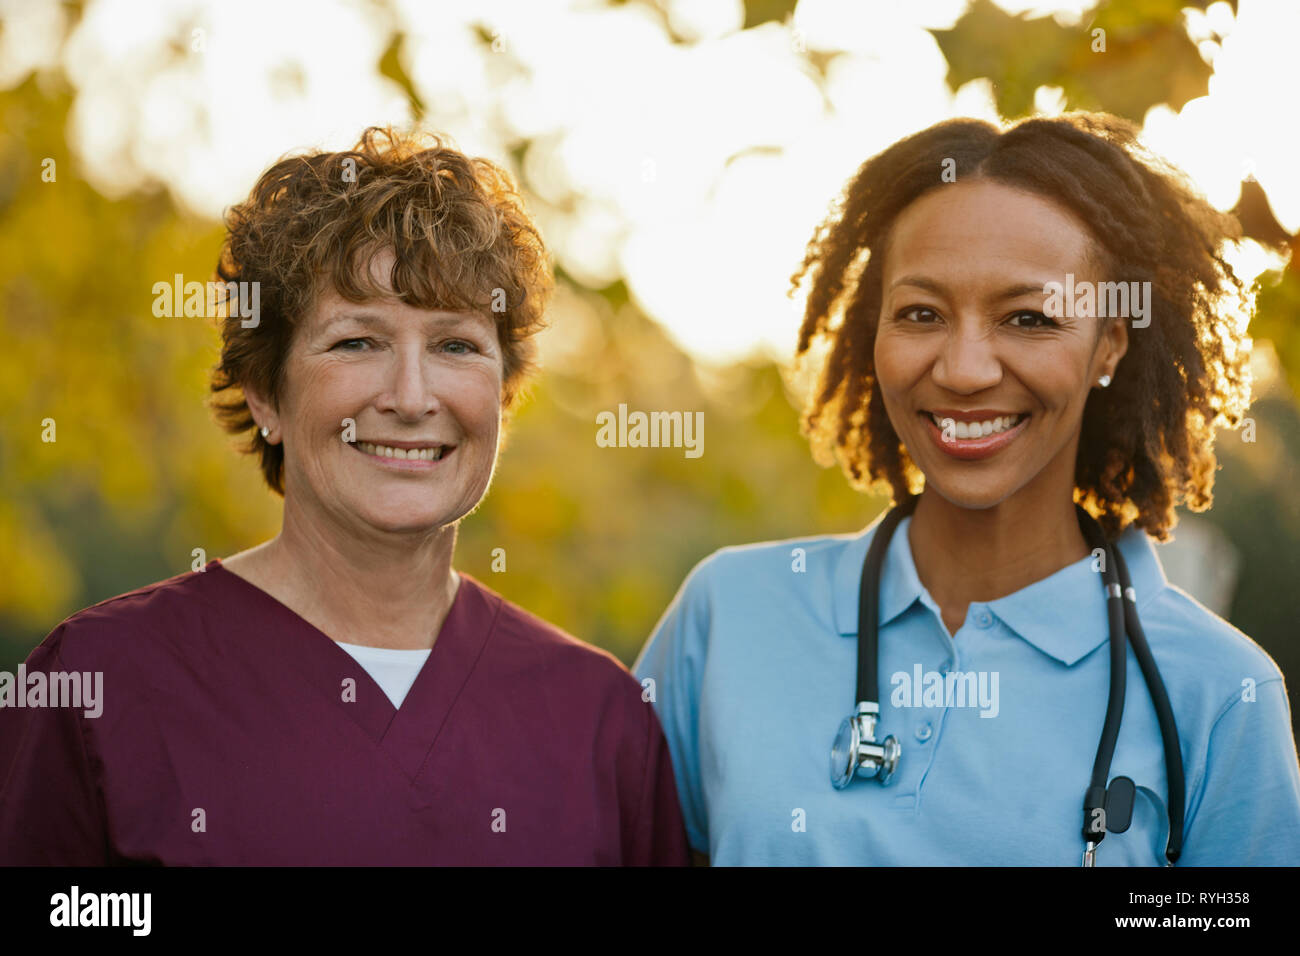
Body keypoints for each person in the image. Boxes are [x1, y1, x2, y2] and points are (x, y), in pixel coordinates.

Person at [0, 127, 689, 866]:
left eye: (456, 345)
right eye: (357, 342)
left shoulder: (600, 720)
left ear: (504, 392)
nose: (412, 396)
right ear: (265, 392)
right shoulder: (98, 686)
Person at [635, 112, 1300, 866]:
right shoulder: (730, 615)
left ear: (1108, 343)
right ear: (871, 331)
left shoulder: (1220, 694)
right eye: (921, 314)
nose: (965, 370)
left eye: (1028, 318)